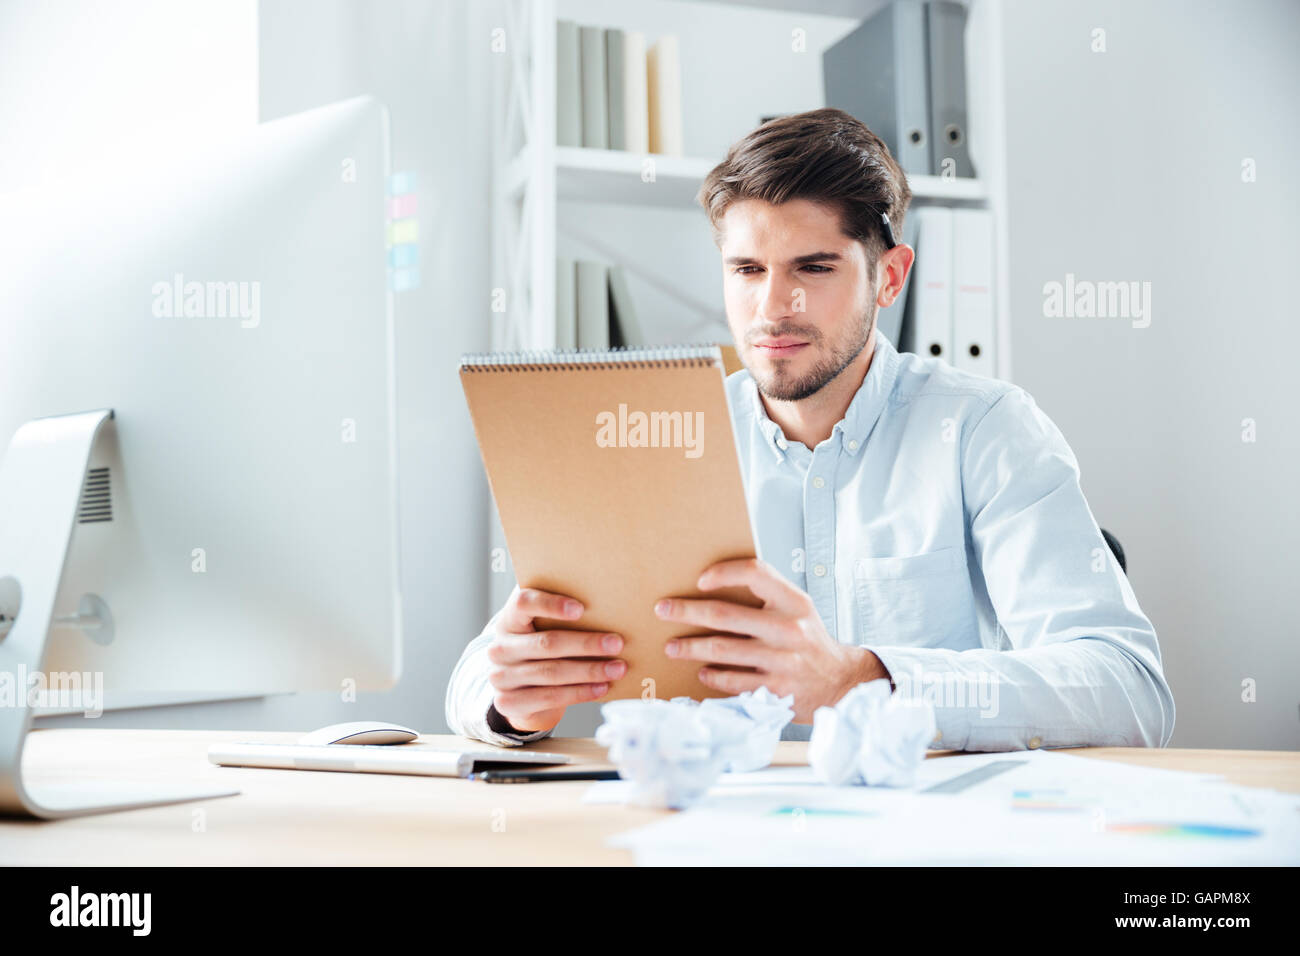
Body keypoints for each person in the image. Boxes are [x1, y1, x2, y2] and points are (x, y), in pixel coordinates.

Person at [445, 108, 1174, 751]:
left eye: (813, 267)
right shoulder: (652, 434)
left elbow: (1129, 688)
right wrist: (510, 701)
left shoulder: (987, 429)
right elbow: (478, 675)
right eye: (747, 269)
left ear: (889, 277)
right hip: (707, 836)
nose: (774, 306)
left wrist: (859, 679)